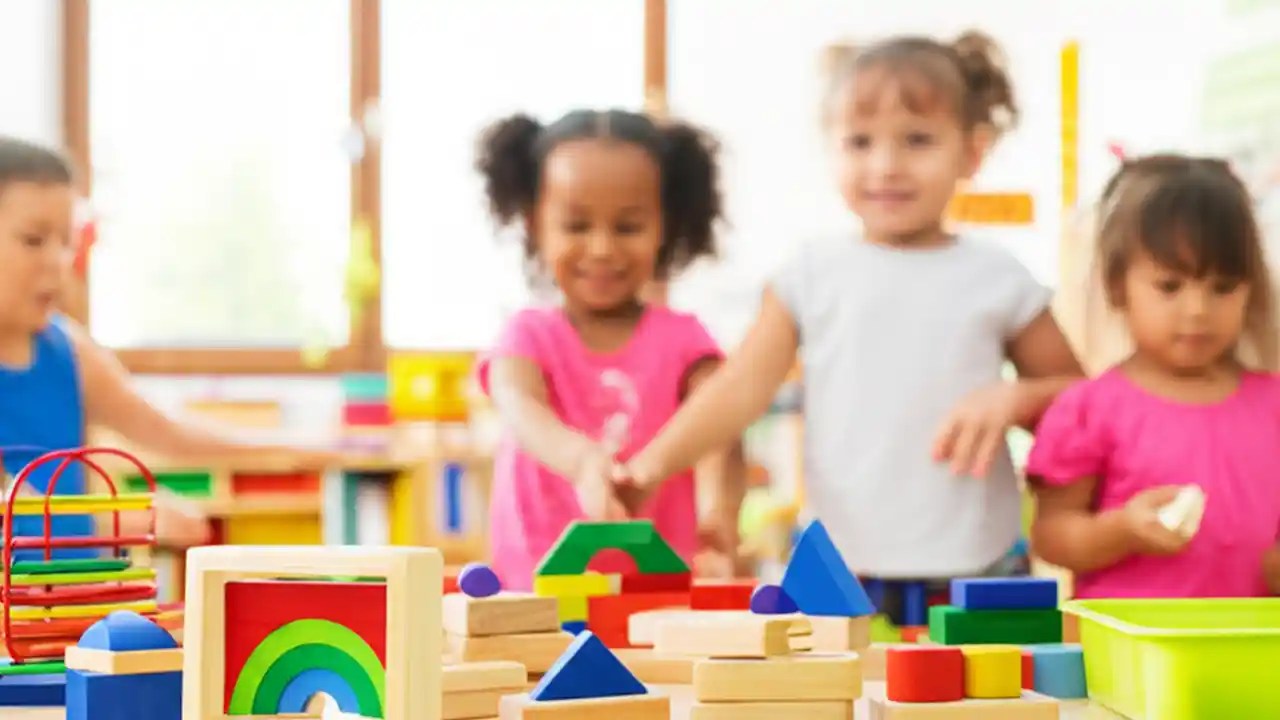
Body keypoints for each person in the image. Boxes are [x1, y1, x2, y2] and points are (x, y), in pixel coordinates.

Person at [619, 32, 1082, 619]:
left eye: (917, 140)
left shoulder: (997, 276)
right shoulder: (810, 274)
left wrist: (1016, 398)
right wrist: (650, 467)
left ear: (972, 152)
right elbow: (739, 388)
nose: (886, 166)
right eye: (860, 142)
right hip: (840, 571)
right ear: (830, 150)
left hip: (979, 569)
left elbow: (1084, 398)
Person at [0, 136, 337, 557]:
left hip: (79, 593)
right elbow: (13, 504)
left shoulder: (68, 350)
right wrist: (126, 520)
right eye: (33, 240)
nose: (57, 262)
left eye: (66, 241)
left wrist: (295, 447)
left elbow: (168, 432)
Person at [474, 109, 745, 590]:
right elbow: (519, 404)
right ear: (536, 225)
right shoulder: (526, 335)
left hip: (659, 597)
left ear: (665, 226)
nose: (601, 248)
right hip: (534, 591)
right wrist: (581, 462)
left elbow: (719, 431)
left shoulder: (685, 341)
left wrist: (716, 517)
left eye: (627, 227)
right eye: (576, 225)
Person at [1028, 155, 1280, 598]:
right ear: (1118, 286)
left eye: (1222, 288)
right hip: (1122, 641)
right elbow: (1051, 535)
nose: (1197, 310)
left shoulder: (1272, 406)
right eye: (1169, 286)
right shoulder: (1092, 410)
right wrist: (1122, 531)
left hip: (1249, 639)